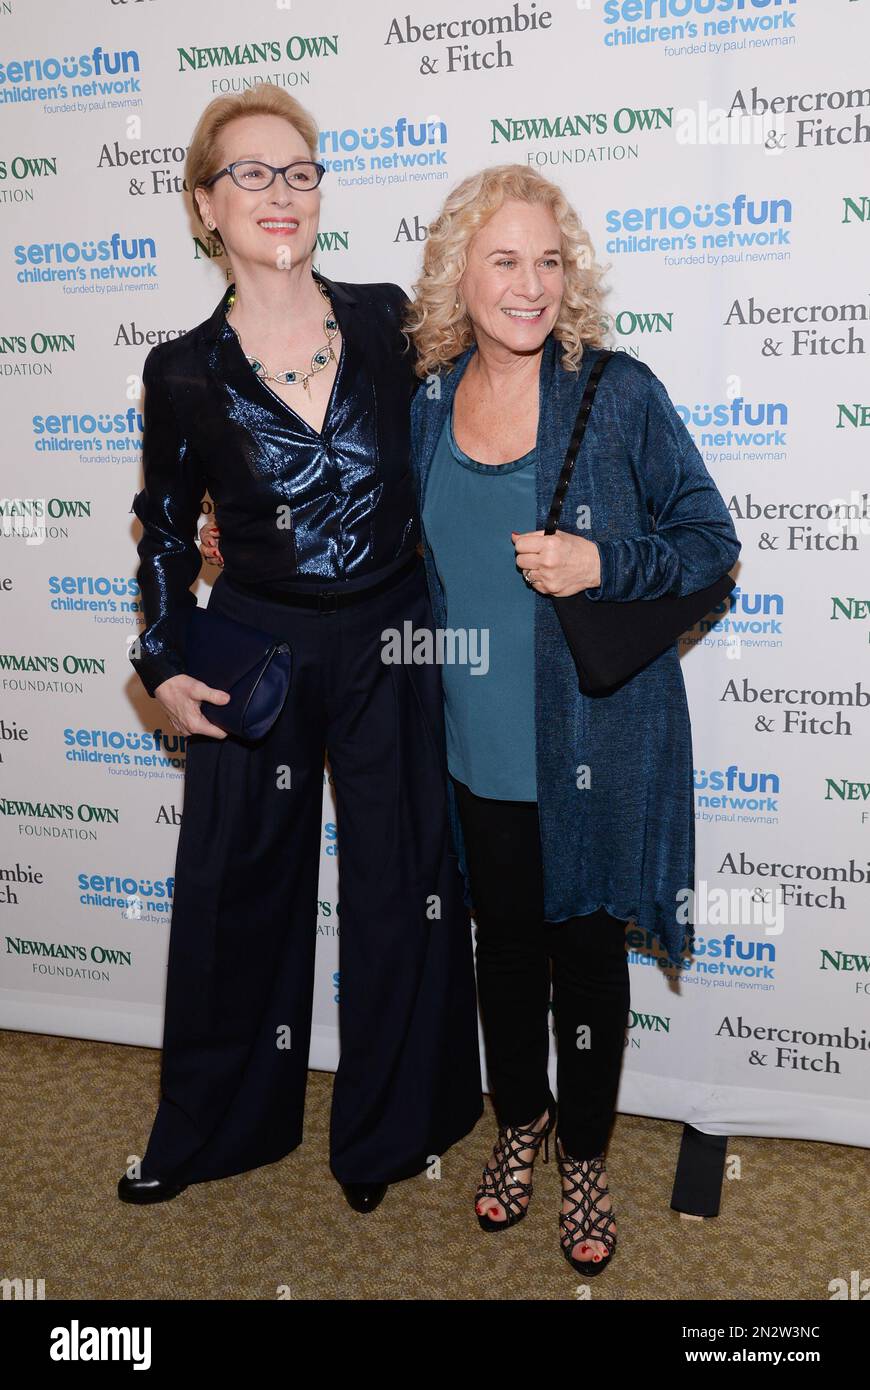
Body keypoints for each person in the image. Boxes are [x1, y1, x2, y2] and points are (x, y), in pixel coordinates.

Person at [121, 82, 483, 1212]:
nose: (280, 193)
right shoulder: (181, 370)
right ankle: (216, 1128)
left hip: (394, 633)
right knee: (238, 890)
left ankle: (388, 1133)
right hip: (256, 642)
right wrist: (160, 656)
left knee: (404, 882)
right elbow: (167, 531)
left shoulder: (386, 320)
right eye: (251, 174)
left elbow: (492, 399)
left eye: (300, 172)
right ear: (203, 207)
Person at [403, 164, 741, 1274]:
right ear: (462, 268)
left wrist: (606, 560)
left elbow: (708, 541)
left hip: (592, 745)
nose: (531, 283)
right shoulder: (424, 404)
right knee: (503, 953)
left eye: (549, 260)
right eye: (505, 258)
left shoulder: (617, 390)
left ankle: (584, 1154)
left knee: (587, 963)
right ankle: (523, 1128)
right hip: (473, 747)